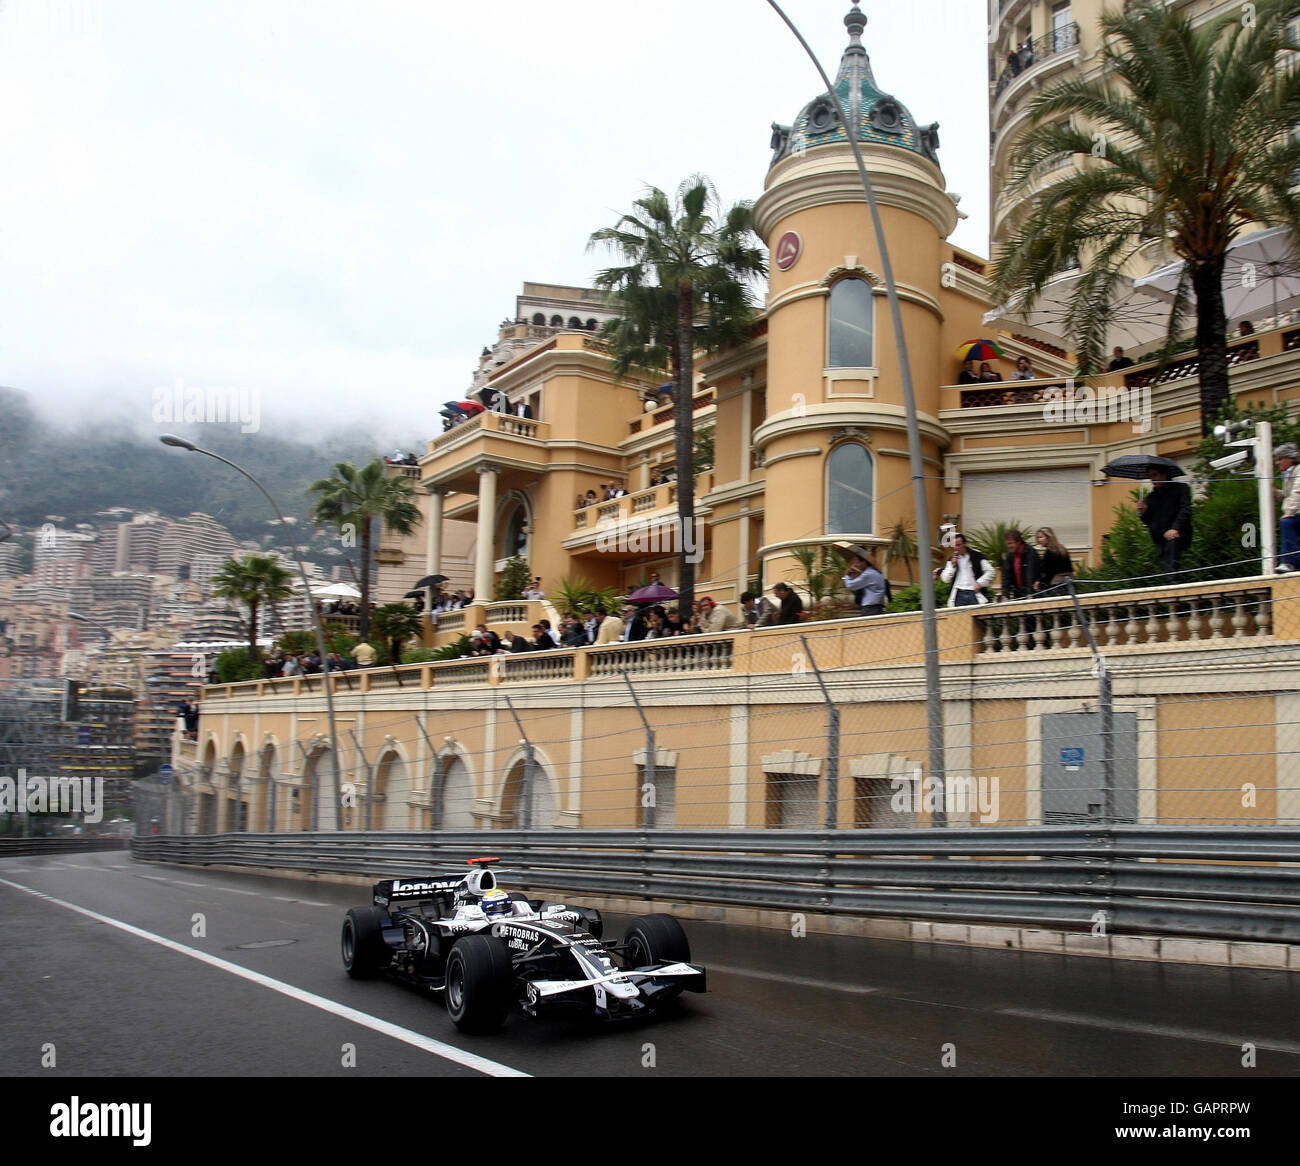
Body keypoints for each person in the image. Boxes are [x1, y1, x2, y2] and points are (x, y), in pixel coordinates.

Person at [1137, 465, 1193, 578]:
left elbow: (1185, 510)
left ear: (1164, 474)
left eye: (1154, 475)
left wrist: (1175, 528)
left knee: (1172, 548)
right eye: (1150, 476)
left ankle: (1172, 582)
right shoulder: (1151, 497)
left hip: (1180, 534)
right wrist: (1142, 513)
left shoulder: (1181, 489)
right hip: (1161, 541)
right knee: (1166, 564)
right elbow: (1150, 521)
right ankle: (1170, 581)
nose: (1152, 479)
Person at [937, 532, 995, 607]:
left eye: (958, 545)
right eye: (955, 546)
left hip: (974, 593)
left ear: (965, 544)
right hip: (958, 594)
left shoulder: (976, 556)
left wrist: (980, 583)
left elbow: (991, 572)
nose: (956, 548)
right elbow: (946, 579)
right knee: (959, 617)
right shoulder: (952, 559)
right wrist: (953, 566)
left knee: (975, 615)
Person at [1275, 444, 1300, 572]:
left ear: (1289, 458)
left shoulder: (1298, 471)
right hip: (1297, 512)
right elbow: (1287, 495)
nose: (1277, 462)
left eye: (1280, 458)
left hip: (1297, 513)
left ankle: (1289, 562)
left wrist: (1289, 512)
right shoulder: (1288, 475)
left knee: (1287, 523)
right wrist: (1273, 491)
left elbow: (1298, 492)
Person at [1033, 527, 1074, 594]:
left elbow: (1048, 572)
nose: (1038, 540)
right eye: (1038, 538)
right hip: (1070, 582)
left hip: (1057, 585)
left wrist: (1039, 582)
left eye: (1040, 537)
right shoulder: (1062, 548)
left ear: (1048, 537)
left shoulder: (1049, 552)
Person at [1001, 529, 1039, 599]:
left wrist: (1029, 593)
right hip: (1018, 594)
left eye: (1011, 543)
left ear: (1019, 542)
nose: (1009, 546)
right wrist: (1005, 595)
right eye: (1007, 544)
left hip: (1033, 594)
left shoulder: (1030, 553)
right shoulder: (1009, 556)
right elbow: (1006, 577)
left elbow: (1030, 574)